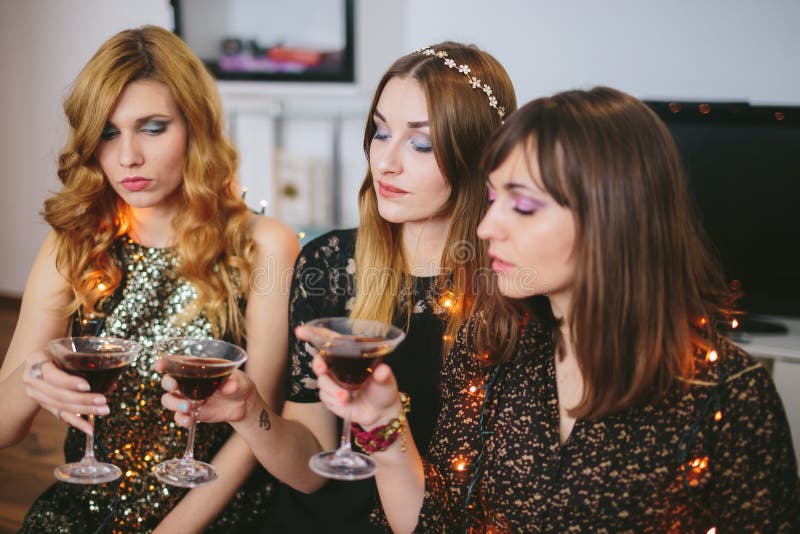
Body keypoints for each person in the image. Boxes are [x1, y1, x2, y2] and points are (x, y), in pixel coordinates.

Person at [311, 87, 800, 532]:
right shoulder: (493, 347)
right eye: (490, 199)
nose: (486, 228)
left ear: (613, 217)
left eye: (522, 207)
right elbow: (433, 524)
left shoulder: (727, 395)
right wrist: (384, 424)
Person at [159, 42, 516, 531]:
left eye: (421, 143)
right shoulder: (329, 264)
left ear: (479, 155)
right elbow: (308, 473)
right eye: (381, 132)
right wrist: (248, 413)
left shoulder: (511, 287)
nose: (386, 162)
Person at [0, 26, 299, 532]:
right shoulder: (75, 241)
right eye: (109, 132)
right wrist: (33, 376)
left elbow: (254, 430)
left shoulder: (264, 245)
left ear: (195, 127)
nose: (127, 156)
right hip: (87, 506)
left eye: (153, 127)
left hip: (213, 509)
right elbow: (6, 429)